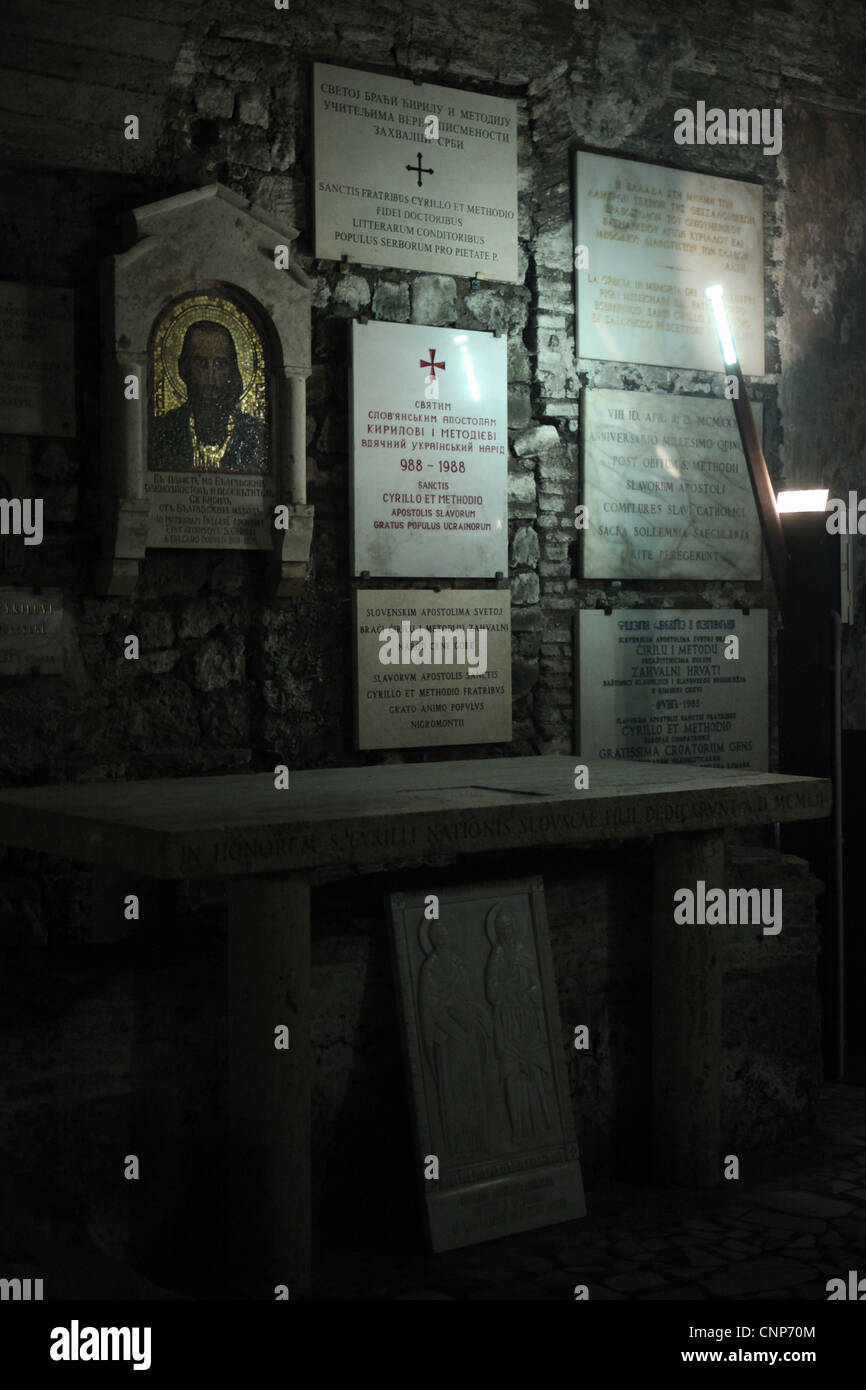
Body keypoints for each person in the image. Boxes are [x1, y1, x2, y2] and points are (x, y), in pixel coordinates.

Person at [150, 320, 267, 473]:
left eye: (220, 364)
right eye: (201, 363)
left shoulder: (254, 435)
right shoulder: (164, 432)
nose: (211, 377)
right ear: (184, 368)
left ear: (232, 370)